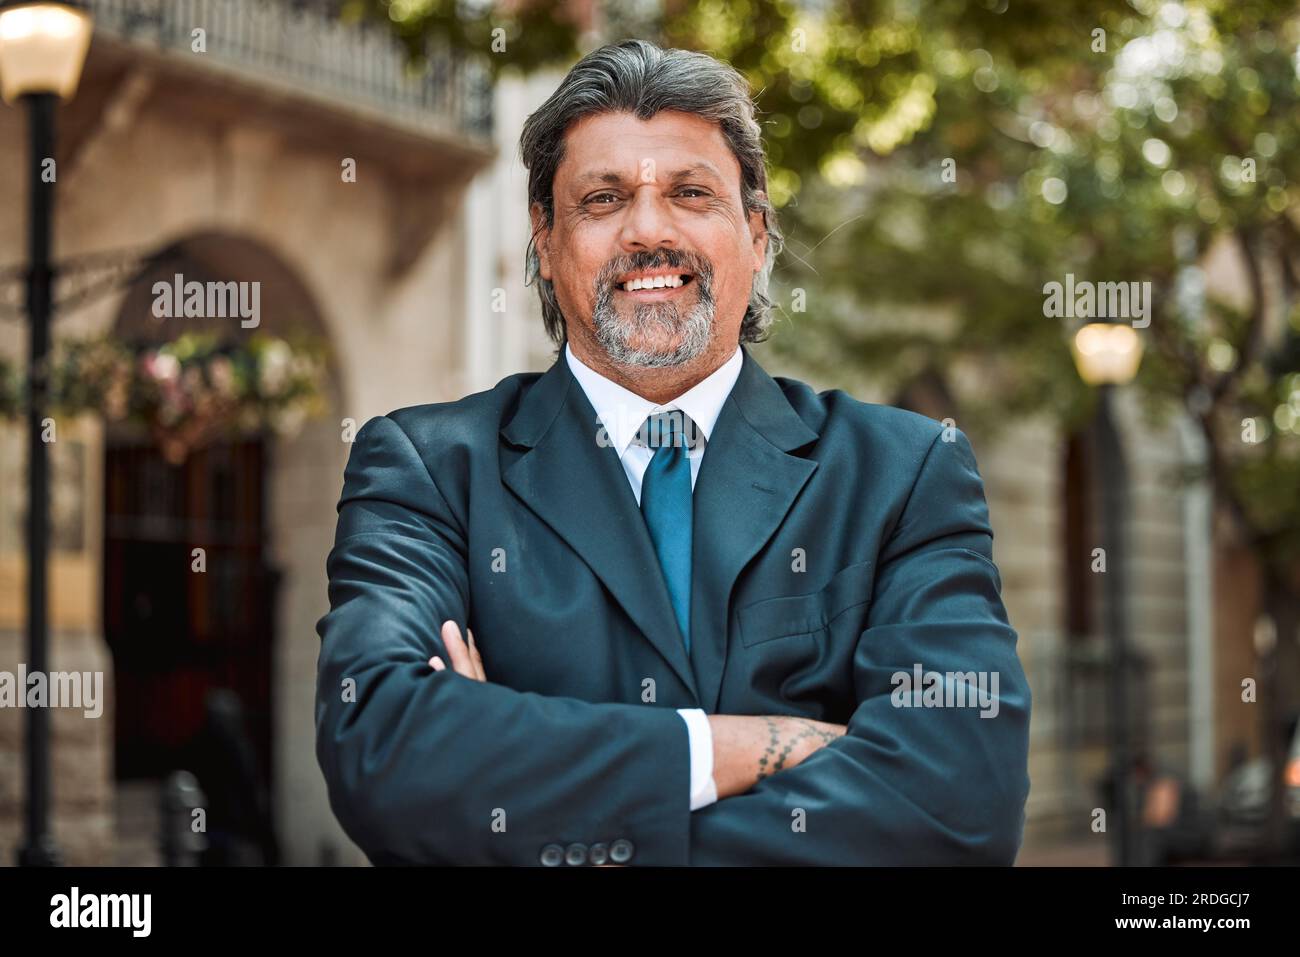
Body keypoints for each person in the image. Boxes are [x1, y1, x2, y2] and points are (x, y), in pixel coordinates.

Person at [314, 39, 1031, 866]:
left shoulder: (902, 471)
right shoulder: (428, 468)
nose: (649, 229)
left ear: (757, 235)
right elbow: (384, 742)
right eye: (603, 198)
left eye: (691, 193)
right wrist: (744, 746)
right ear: (545, 244)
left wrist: (518, 780)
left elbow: (961, 801)